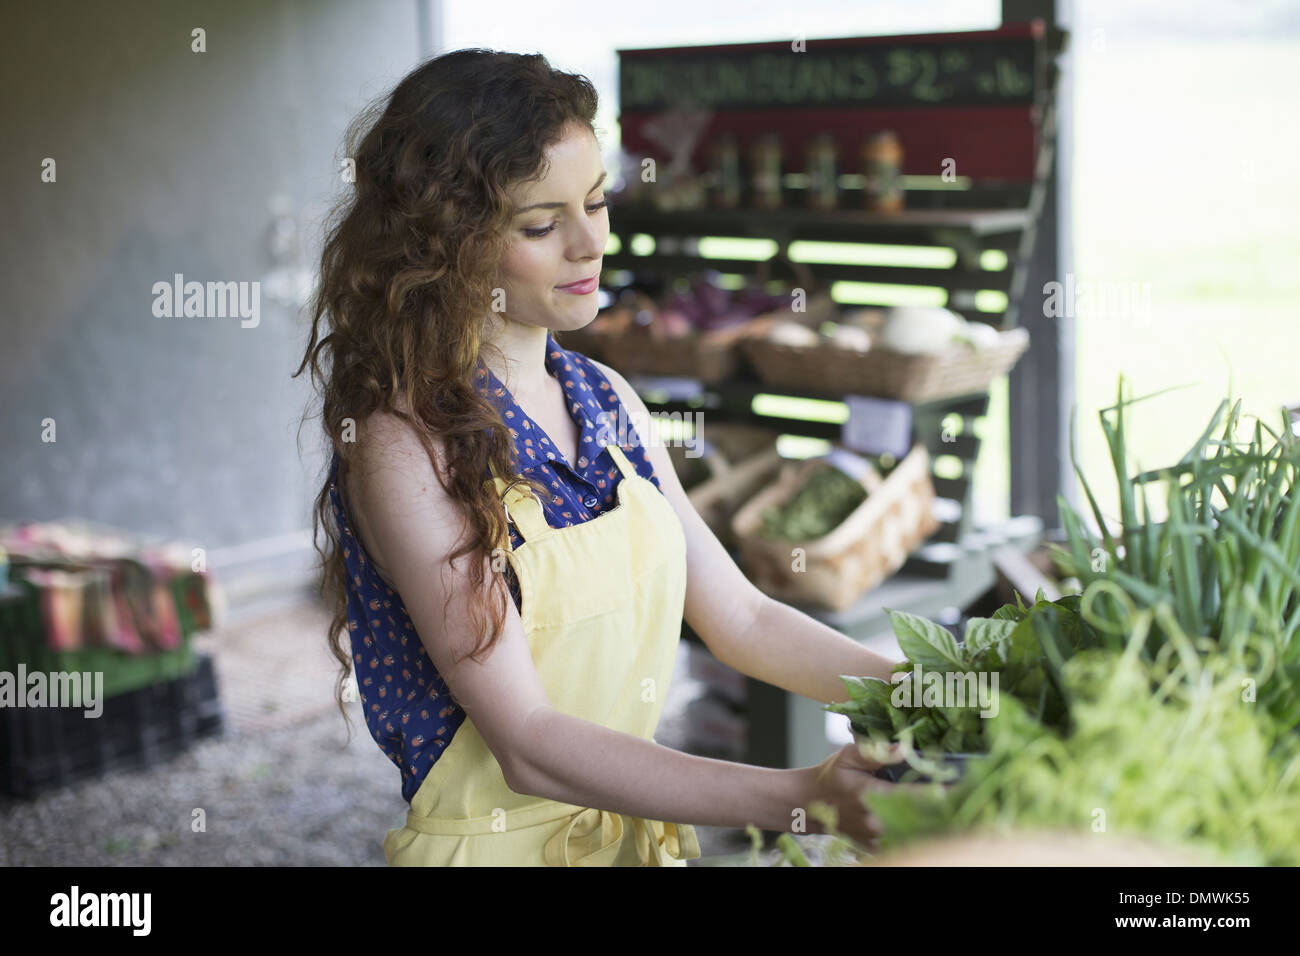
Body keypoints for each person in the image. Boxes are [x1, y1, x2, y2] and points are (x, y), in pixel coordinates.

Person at [294, 48, 904, 866]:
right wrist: (803, 798)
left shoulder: (605, 395)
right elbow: (531, 743)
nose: (590, 244)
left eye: (596, 202)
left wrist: (921, 691)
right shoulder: (404, 446)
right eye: (542, 225)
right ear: (446, 243)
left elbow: (742, 619)